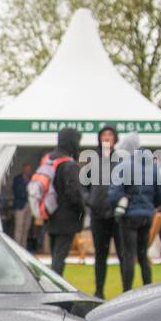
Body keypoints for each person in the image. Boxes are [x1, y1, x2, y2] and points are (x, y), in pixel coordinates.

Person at [109, 132, 161, 291]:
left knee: (129, 255)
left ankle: (127, 291)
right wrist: (150, 205)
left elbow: (114, 193)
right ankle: (148, 289)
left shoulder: (124, 166)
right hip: (147, 215)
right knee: (143, 255)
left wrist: (122, 203)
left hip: (129, 216)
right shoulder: (153, 167)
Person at [44, 127, 85, 278]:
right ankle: (55, 286)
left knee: (55, 254)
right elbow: (74, 193)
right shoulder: (69, 164)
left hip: (50, 213)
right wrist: (81, 212)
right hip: (66, 217)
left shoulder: (49, 160)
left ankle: (53, 282)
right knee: (59, 258)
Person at [87, 125, 120, 297]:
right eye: (104, 135)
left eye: (110, 135)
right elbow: (84, 185)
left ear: (115, 138)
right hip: (98, 213)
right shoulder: (93, 160)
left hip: (117, 215)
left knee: (123, 254)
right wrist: (89, 200)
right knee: (100, 254)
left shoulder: (121, 159)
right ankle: (99, 291)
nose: (107, 137)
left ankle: (126, 291)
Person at [11, 162, 32, 248]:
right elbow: (16, 191)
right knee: (19, 226)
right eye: (27, 168)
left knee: (26, 227)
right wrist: (26, 195)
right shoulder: (17, 179)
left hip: (29, 205)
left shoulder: (32, 178)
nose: (28, 170)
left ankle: (24, 246)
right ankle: (17, 246)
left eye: (29, 169)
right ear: (23, 168)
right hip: (20, 204)